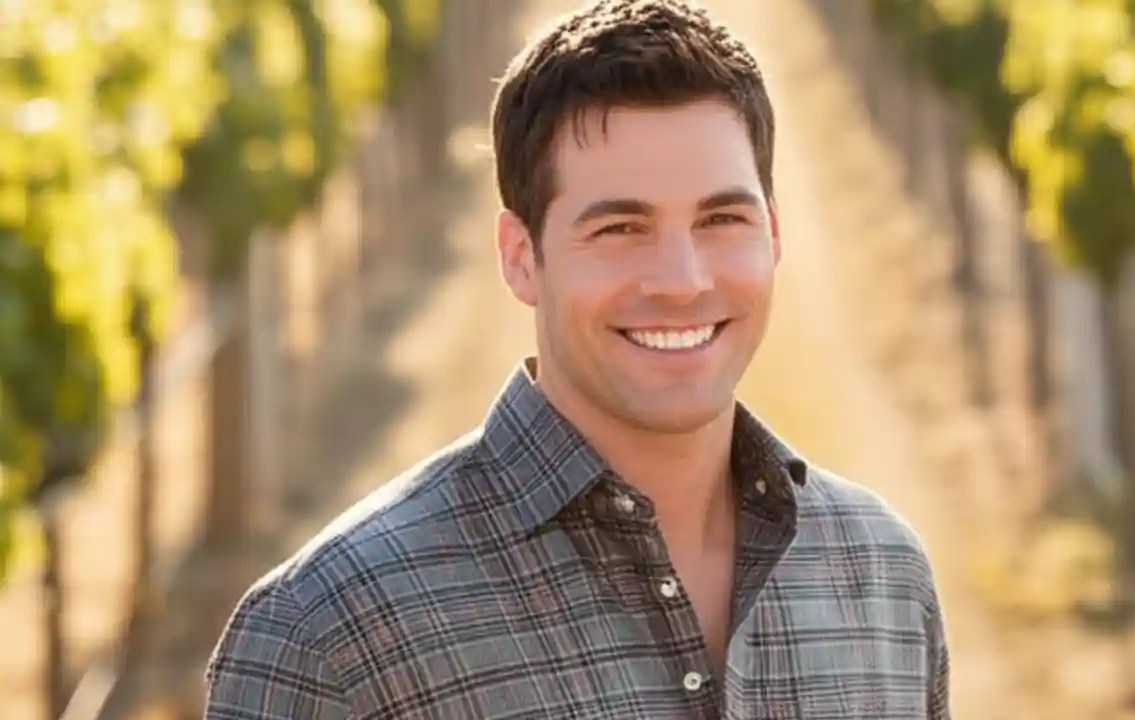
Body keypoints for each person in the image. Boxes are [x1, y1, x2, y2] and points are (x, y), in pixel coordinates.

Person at [204, 0, 951, 717]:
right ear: (520, 257)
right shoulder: (328, 634)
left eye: (722, 218)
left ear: (775, 235)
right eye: (621, 229)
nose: (684, 281)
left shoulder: (882, 573)